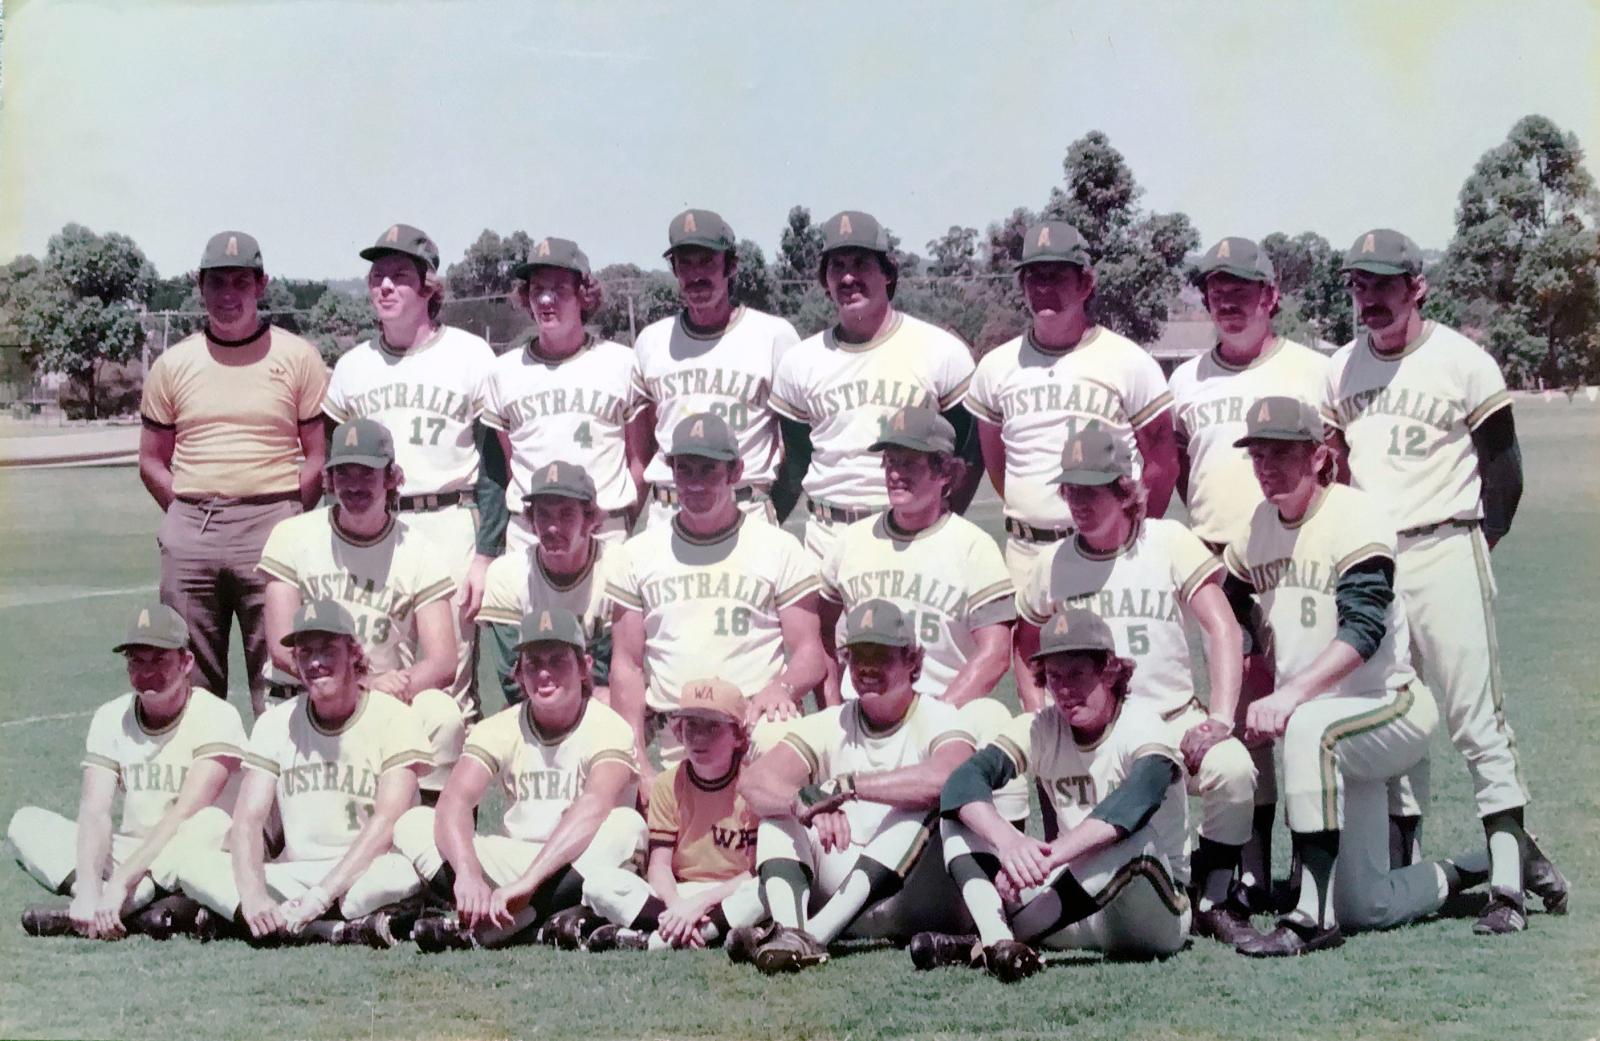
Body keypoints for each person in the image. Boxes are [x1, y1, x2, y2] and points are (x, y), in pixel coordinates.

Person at [1323, 228, 1566, 934]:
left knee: (1475, 720)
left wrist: (1476, 543)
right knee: (1394, 716)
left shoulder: (1463, 360)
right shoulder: (1339, 368)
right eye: (1359, 286)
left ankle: (1509, 890)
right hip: (1374, 564)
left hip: (1447, 545)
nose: (1369, 299)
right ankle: (1421, 864)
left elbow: (1505, 470)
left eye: (1382, 285)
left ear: (1416, 285)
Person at [1224, 396, 1487, 955]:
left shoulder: (1355, 515)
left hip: (1387, 706)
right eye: (1258, 455)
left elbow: (1364, 633)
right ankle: (1479, 864)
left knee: (1311, 727)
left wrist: (1289, 694)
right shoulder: (1258, 526)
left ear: (1319, 456)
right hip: (1330, 729)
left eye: (1282, 454)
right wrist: (1250, 677)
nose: (1267, 467)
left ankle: (1310, 919)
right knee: (1368, 905)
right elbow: (1230, 604)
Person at [1013, 426, 1256, 944]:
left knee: (1233, 769)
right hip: (1098, 737)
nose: (1079, 502)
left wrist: (1220, 717)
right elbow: (1024, 640)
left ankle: (1212, 897)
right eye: (1070, 490)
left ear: (1125, 490)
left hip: (1171, 720)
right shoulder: (1051, 563)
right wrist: (1042, 716)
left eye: (1093, 489)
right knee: (1097, 854)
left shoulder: (1167, 540)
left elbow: (1223, 626)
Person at [1165, 236, 1331, 910]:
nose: (1227, 301)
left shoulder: (1314, 370)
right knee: (1237, 712)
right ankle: (1254, 866)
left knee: (1305, 704)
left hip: (1296, 557)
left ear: (1271, 297)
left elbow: (1336, 461)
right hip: (1218, 565)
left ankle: (1323, 861)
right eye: (1216, 291)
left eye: (1242, 290)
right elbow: (1178, 468)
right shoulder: (1185, 381)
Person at [916, 607, 1192, 980]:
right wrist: (1009, 842)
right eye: (1054, 676)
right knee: (960, 819)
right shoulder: (1042, 727)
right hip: (1072, 908)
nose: (1063, 689)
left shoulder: (1142, 724)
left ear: (1109, 670)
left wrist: (1045, 860)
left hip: (1152, 909)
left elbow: (1133, 805)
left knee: (1132, 840)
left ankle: (978, 945)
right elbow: (961, 783)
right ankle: (999, 942)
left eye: (1077, 674)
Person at [138, 231, 329, 715]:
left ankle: (283, 790)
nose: (228, 295)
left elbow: (316, 457)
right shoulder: (173, 364)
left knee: (283, 673)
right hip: (193, 530)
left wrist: (286, 517)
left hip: (273, 526)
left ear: (261, 285)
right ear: (199, 286)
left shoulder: (297, 357)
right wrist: (188, 513)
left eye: (240, 282)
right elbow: (152, 460)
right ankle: (203, 789)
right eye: (216, 282)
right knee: (189, 682)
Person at [731, 600, 978, 974]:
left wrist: (847, 787)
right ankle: (791, 933)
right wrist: (804, 805)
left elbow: (950, 777)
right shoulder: (834, 721)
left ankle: (814, 935)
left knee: (918, 806)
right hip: (847, 885)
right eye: (857, 654)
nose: (866, 667)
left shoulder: (939, 716)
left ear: (913, 659)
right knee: (778, 815)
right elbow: (754, 781)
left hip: (923, 900)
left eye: (881, 655)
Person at [323, 223, 506, 719]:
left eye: (399, 275)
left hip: (449, 521)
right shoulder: (352, 367)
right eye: (377, 275)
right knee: (377, 673)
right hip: (374, 529)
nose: (384, 285)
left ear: (428, 285)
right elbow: (330, 469)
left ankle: (449, 798)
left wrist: (486, 554)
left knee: (447, 689)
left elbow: (494, 468)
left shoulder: (471, 355)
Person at [176, 600, 435, 947]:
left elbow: (387, 822)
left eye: (328, 649)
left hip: (366, 870)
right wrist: (252, 895)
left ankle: (276, 921)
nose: (315, 662)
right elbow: (249, 820)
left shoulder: (394, 717)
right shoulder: (275, 722)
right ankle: (331, 928)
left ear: (353, 654)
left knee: (395, 877)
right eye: (305, 652)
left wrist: (321, 896)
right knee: (193, 865)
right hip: (298, 874)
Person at [817, 405, 1026, 825]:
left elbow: (995, 652)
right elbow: (822, 631)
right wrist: (832, 709)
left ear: (946, 474)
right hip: (861, 727)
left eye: (909, 462)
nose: (895, 473)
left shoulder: (971, 546)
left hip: (939, 734)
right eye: (890, 462)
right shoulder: (851, 542)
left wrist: (931, 719)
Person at [392, 609, 645, 951]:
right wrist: (468, 874)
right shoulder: (498, 727)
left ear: (584, 667)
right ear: (518, 672)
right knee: (413, 822)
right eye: (532, 663)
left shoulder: (609, 726)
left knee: (625, 825)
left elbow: (595, 805)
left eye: (558, 660)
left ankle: (515, 921)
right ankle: (542, 919)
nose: (544, 673)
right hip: (515, 862)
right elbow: (455, 802)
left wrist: (528, 885)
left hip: (578, 861)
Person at [608, 413, 828, 784]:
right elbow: (625, 665)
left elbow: (810, 653)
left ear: (735, 471)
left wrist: (783, 688)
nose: (694, 483)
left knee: (780, 751)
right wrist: (638, 759)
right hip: (676, 728)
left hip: (753, 722)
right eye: (685, 469)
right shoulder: (637, 553)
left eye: (708, 469)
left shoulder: (778, 548)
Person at [258, 418, 466, 801]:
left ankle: (433, 833)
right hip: (306, 695)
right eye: (343, 473)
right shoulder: (291, 537)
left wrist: (376, 694)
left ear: (392, 478)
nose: (353, 485)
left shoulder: (419, 550)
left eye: (367, 473)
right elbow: (281, 648)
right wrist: (360, 685)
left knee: (441, 713)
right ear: (329, 479)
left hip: (387, 701)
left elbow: (442, 661)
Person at [8, 603, 244, 939]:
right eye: (137, 660)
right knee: (26, 823)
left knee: (210, 823)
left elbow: (185, 812)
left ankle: (124, 906)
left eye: (160, 659)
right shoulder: (110, 716)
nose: (147, 671)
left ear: (186, 662)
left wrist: (121, 882)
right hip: (133, 851)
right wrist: (89, 888)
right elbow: (95, 810)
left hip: (193, 850)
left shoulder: (217, 715)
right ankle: (114, 907)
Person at [964, 221, 1178, 592]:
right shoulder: (996, 366)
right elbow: (1000, 467)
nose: (1044, 288)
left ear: (1086, 283)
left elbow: (1162, 462)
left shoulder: (1129, 361)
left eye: (1057, 276)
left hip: (1105, 552)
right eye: (1034, 277)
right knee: (1028, 651)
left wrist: (1127, 529)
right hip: (1026, 553)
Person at [769, 210, 981, 560]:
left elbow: (968, 454)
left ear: (887, 272)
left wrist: (943, 519)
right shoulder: (800, 360)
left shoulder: (940, 350)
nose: (848, 277)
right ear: (825, 280)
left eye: (861, 264)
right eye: (837, 266)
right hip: (827, 537)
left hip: (911, 535)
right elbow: (797, 461)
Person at [632, 209, 800, 527]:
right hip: (669, 511)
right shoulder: (651, 341)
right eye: (686, 263)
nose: (696, 274)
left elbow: (797, 449)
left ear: (731, 265)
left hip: (745, 508)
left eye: (707, 261)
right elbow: (644, 443)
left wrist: (768, 505)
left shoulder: (774, 336)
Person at [481, 237, 649, 551]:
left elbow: (638, 460)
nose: (545, 300)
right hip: (529, 535)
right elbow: (509, 464)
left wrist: (613, 516)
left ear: (584, 295)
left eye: (559, 289)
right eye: (536, 290)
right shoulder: (502, 372)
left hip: (604, 531)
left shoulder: (621, 363)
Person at [580, 678, 765, 951]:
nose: (699, 737)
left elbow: (753, 873)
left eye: (713, 726)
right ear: (678, 731)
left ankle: (652, 940)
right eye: (691, 725)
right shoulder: (669, 783)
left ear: (738, 735)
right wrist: (678, 906)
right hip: (679, 891)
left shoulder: (755, 785)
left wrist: (700, 904)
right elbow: (659, 866)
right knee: (597, 884)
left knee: (767, 889)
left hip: (731, 892)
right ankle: (703, 931)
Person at [477, 461, 616, 709]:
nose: (552, 526)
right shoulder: (506, 574)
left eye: (566, 514)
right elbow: (513, 676)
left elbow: (614, 667)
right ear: (530, 519)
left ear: (589, 518)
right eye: (543, 514)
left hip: (600, 706)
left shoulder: (618, 568)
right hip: (535, 703)